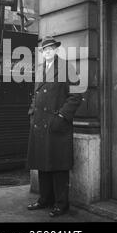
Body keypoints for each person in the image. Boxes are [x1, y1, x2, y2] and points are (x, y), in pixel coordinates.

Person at [27, 36, 81, 217]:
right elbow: (36, 95)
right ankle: (45, 199)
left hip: (57, 124)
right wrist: (32, 112)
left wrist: (61, 116)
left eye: (51, 48)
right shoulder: (41, 69)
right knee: (42, 164)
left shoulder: (67, 67)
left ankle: (61, 204)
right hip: (40, 124)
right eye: (45, 49)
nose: (47, 51)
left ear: (57, 50)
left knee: (58, 166)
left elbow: (76, 95)